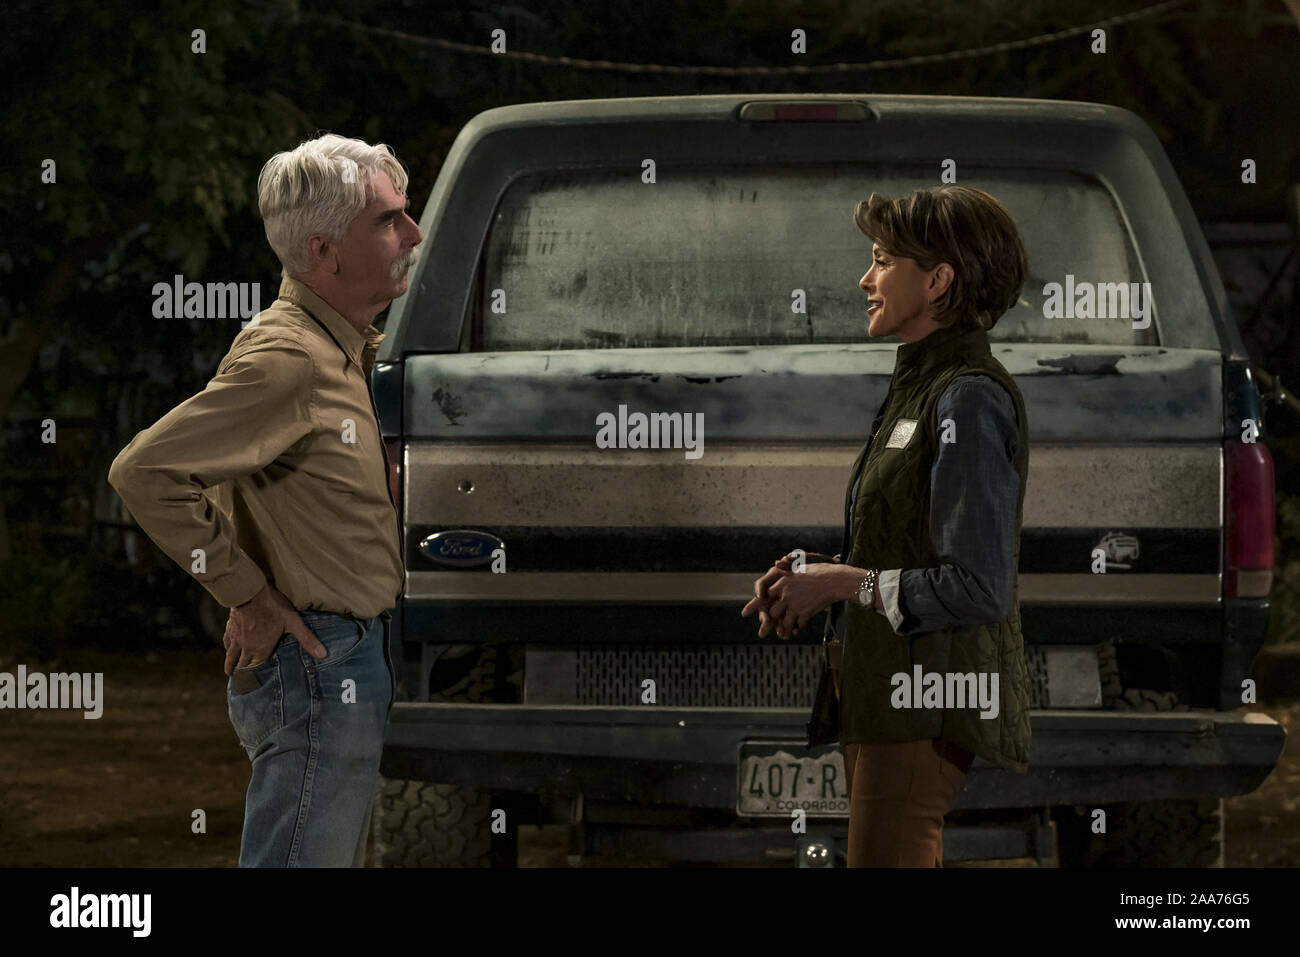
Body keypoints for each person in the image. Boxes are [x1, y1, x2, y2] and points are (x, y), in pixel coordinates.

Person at [108, 133, 423, 866]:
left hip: (344, 656)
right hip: (318, 661)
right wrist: (247, 594)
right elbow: (141, 472)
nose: (413, 233)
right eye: (387, 219)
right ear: (324, 252)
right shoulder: (288, 359)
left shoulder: (340, 346)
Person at [742, 185, 1031, 867]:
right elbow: (903, 540)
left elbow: (978, 585)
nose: (864, 279)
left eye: (881, 260)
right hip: (887, 695)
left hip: (923, 703)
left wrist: (846, 583)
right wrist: (815, 574)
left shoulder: (967, 396)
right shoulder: (922, 385)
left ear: (937, 280)